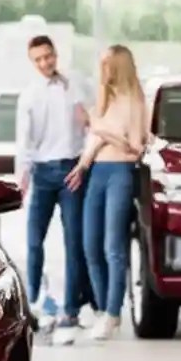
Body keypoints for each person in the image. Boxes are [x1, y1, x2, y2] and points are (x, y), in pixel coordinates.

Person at [15, 34, 96, 345]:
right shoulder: (30, 95)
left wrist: (84, 165)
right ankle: (33, 303)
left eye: (48, 56)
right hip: (43, 173)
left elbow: (93, 125)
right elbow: (24, 140)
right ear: (32, 62)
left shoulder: (75, 85)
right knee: (34, 242)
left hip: (72, 170)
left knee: (74, 243)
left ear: (55, 54)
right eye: (38, 59)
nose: (45, 63)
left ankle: (72, 308)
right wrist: (22, 176)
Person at [66, 45, 149, 341]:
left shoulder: (135, 102)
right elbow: (94, 139)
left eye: (107, 64)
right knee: (90, 246)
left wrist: (102, 130)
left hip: (121, 173)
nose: (103, 70)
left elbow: (137, 146)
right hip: (97, 172)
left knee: (114, 248)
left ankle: (113, 313)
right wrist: (82, 166)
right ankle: (103, 310)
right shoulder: (104, 101)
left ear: (118, 66)